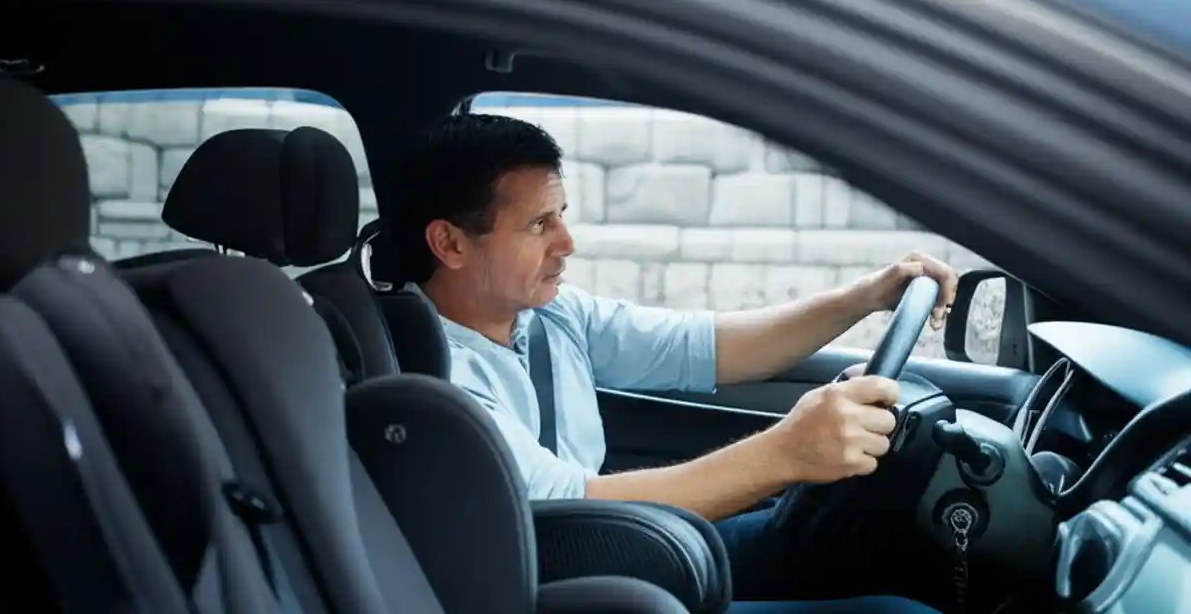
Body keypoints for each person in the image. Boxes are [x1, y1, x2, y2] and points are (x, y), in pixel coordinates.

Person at [387, 113, 955, 614]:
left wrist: (866, 296)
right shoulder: (439, 381)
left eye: (561, 215)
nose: (567, 242)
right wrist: (787, 451)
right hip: (567, 577)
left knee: (864, 546)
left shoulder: (551, 315)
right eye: (539, 225)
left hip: (616, 548)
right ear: (451, 245)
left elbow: (706, 346)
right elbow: (568, 512)